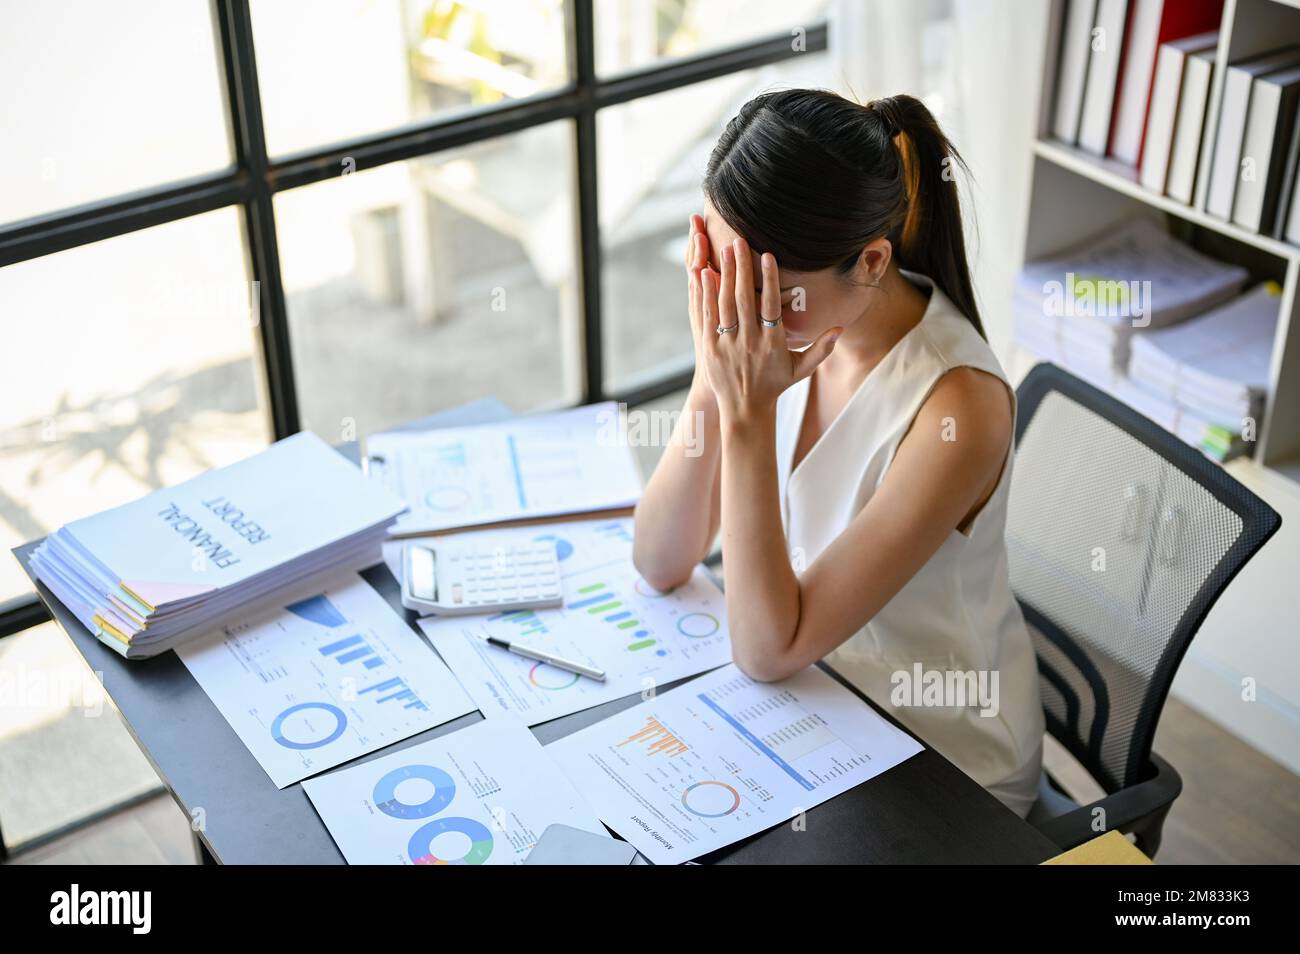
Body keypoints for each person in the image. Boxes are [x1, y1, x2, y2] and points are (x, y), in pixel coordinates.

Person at [632, 89, 1045, 817]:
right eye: (723, 277)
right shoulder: (779, 339)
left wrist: (748, 411)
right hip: (818, 698)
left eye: (771, 295)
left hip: (938, 756)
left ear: (871, 260)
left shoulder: (960, 408)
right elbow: (661, 560)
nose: (742, 315)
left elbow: (767, 649)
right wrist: (712, 371)